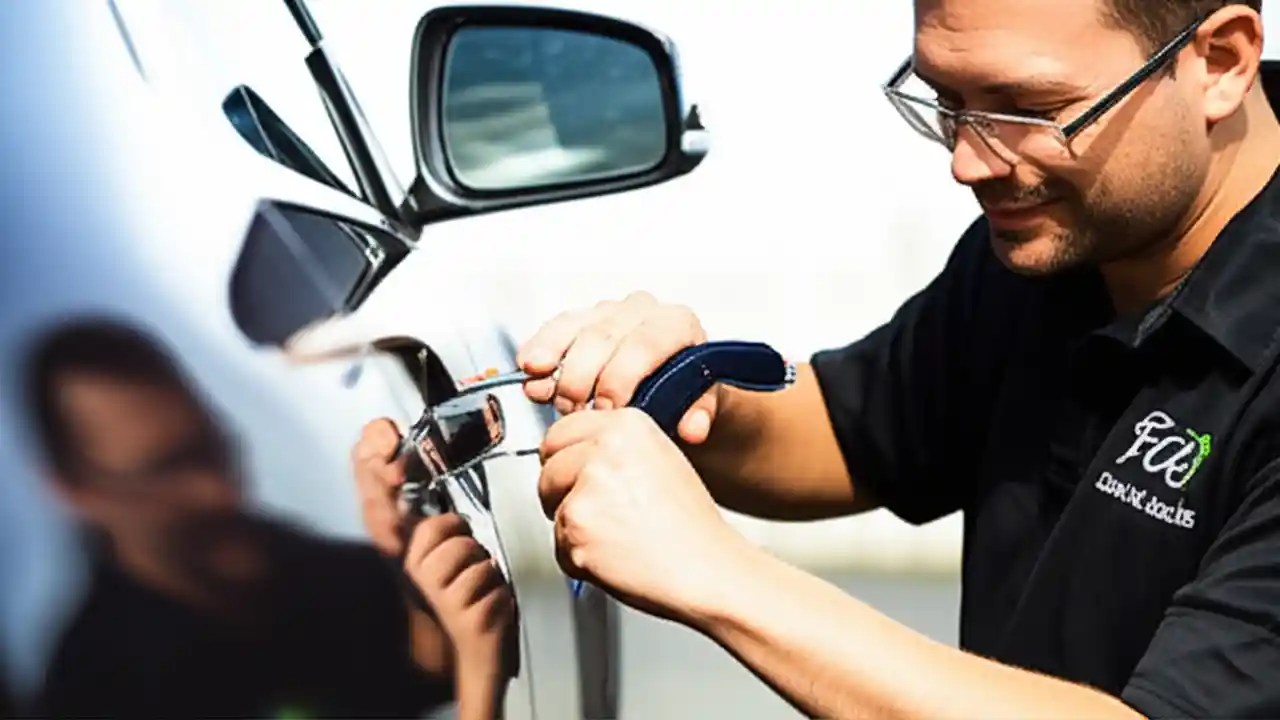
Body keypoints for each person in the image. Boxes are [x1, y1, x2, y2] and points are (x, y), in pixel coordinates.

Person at [359, 0, 1280, 717]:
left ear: (1221, 61)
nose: (967, 161)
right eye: (944, 101)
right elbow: (849, 433)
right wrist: (676, 383)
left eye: (1027, 109)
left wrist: (716, 576)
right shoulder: (1063, 241)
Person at [21, 318, 513, 720]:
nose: (218, 492)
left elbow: (416, 678)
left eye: (211, 448)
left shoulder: (319, 573)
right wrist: (480, 686)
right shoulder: (96, 692)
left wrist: (417, 587)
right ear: (74, 490)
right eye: (165, 471)